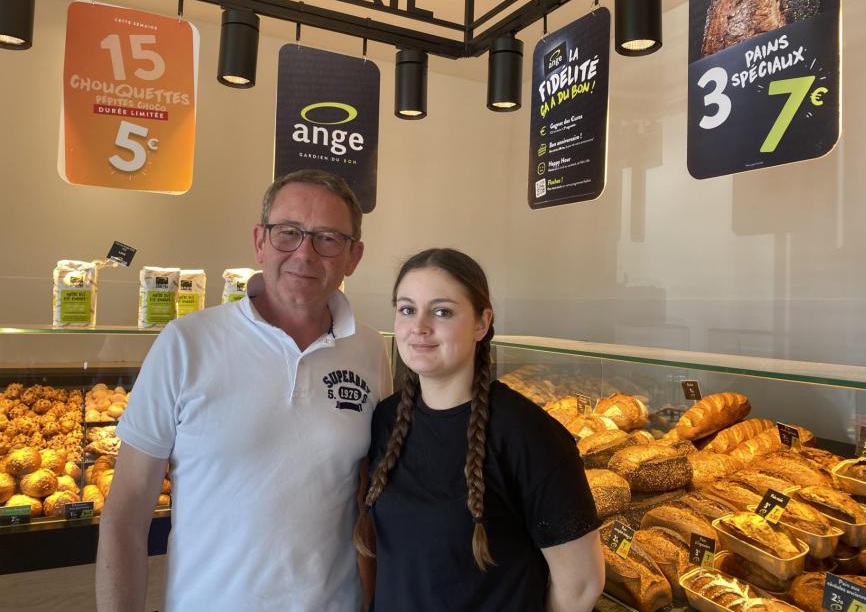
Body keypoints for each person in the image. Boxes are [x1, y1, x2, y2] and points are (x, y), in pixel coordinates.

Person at [96, 170, 393, 612]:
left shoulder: (371, 351)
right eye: (287, 233)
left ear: (354, 256)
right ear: (259, 242)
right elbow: (126, 516)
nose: (305, 253)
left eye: (328, 238)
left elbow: (369, 499)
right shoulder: (185, 343)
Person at [354, 248, 604, 612]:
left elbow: (582, 585)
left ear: (481, 323)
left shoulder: (529, 435)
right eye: (407, 309)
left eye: (442, 311)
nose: (419, 326)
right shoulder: (386, 420)